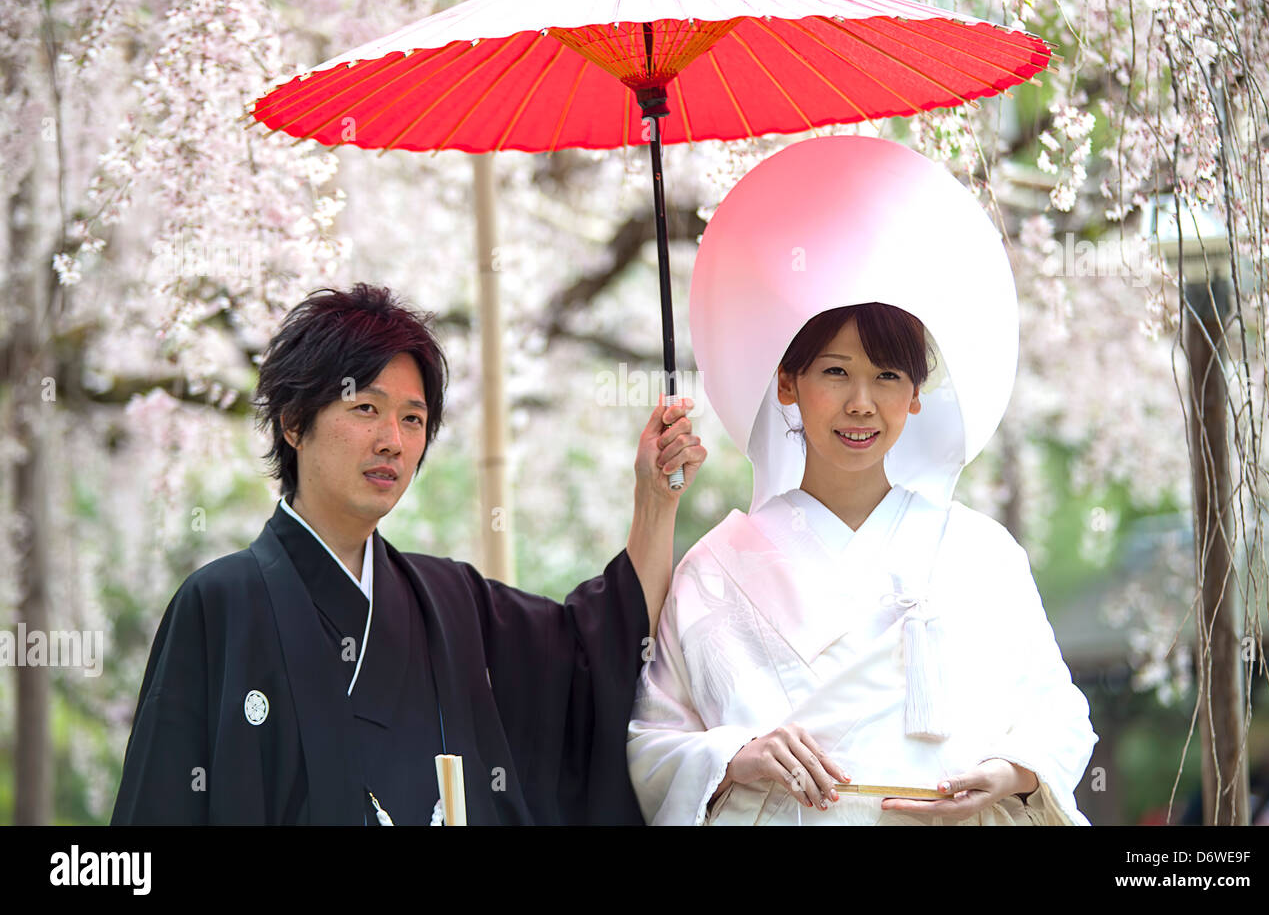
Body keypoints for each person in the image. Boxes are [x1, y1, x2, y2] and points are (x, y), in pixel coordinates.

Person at [627, 135, 1099, 825]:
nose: (861, 404)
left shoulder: (979, 553)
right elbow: (653, 741)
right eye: (835, 372)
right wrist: (736, 754)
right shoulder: (716, 570)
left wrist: (1011, 770)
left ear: (915, 396)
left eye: (887, 377)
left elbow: (1056, 711)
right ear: (787, 383)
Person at [111, 283, 705, 825]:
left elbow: (595, 653)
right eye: (365, 408)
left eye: (413, 418)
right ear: (293, 422)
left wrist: (654, 502)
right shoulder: (220, 604)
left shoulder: (451, 602)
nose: (393, 441)